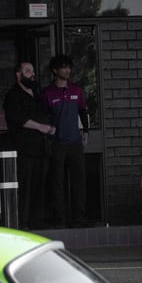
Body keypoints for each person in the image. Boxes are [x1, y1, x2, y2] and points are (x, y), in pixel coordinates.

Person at [1, 60, 54, 229]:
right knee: (26, 187)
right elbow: (19, 119)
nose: (32, 73)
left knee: (41, 186)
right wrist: (42, 127)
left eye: (32, 70)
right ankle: (23, 223)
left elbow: (46, 114)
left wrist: (50, 127)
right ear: (19, 75)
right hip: (24, 149)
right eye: (27, 71)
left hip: (41, 148)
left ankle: (38, 221)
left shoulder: (37, 94)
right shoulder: (13, 96)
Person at [42, 55, 89, 226]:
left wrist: (86, 131)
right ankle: (60, 218)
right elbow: (43, 116)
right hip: (57, 144)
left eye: (69, 67)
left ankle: (79, 218)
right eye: (63, 67)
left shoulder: (76, 90)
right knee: (57, 183)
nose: (67, 70)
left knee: (79, 181)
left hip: (75, 143)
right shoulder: (47, 93)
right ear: (55, 70)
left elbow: (83, 111)